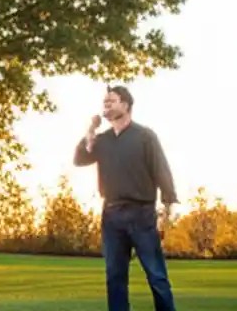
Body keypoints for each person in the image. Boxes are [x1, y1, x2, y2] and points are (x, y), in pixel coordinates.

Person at [73, 85, 178, 311]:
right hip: (111, 215)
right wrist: (89, 133)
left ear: (126, 105)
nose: (106, 104)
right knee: (115, 277)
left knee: (156, 276)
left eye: (112, 100)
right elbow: (79, 159)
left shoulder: (145, 136)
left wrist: (167, 209)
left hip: (141, 214)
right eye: (105, 102)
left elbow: (161, 170)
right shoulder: (101, 140)